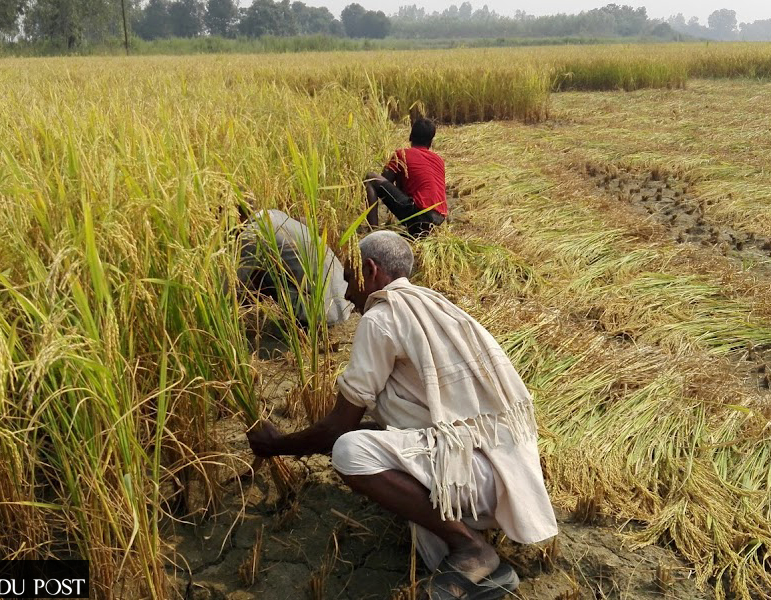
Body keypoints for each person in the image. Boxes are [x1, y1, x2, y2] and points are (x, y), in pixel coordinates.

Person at [247, 231, 557, 599]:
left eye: (348, 278)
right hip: (511, 477)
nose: (346, 291)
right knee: (425, 538)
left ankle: (471, 548)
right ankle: (486, 573)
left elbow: (337, 430)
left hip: (475, 481)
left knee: (352, 450)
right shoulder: (439, 305)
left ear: (370, 270)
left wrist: (276, 445)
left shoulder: (382, 318)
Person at [236, 207, 352, 327]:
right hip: (345, 300)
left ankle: (304, 324)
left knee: (265, 272)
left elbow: (236, 288)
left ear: (236, 217)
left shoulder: (252, 233)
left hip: (323, 314)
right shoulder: (277, 216)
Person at [364, 118, 448, 238]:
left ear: (410, 137)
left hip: (419, 215)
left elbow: (383, 182)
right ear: (430, 142)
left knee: (371, 178)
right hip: (439, 220)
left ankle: (373, 233)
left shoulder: (401, 155)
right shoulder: (439, 160)